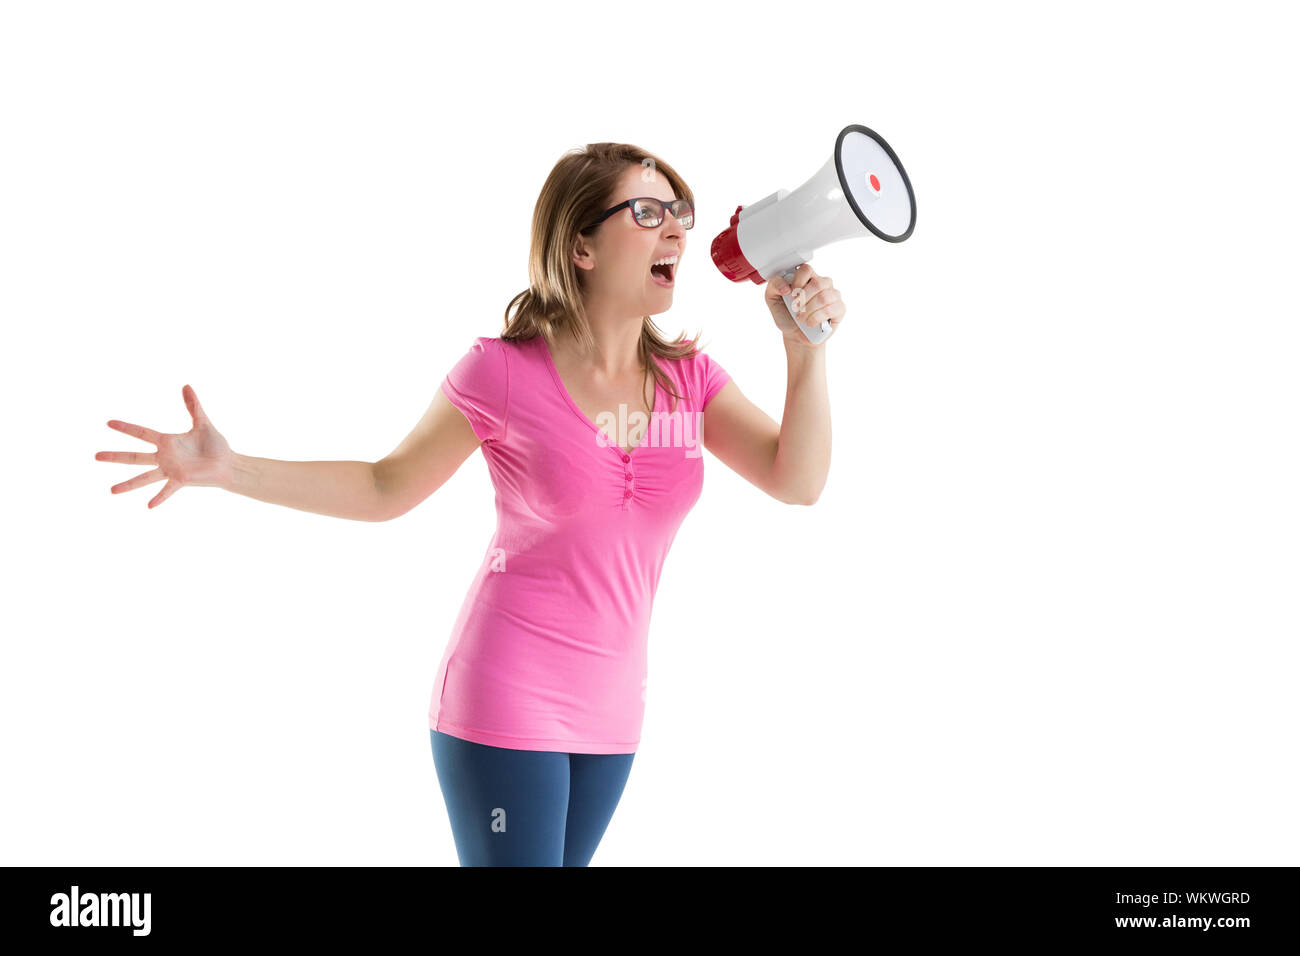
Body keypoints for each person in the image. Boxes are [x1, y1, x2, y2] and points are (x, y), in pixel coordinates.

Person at [96, 141, 845, 866]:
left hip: (614, 717)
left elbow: (797, 481)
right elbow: (387, 485)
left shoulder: (693, 381)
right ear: (580, 247)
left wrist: (804, 350)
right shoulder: (501, 372)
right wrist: (230, 469)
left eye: (679, 208)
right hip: (506, 698)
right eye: (646, 212)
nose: (677, 227)